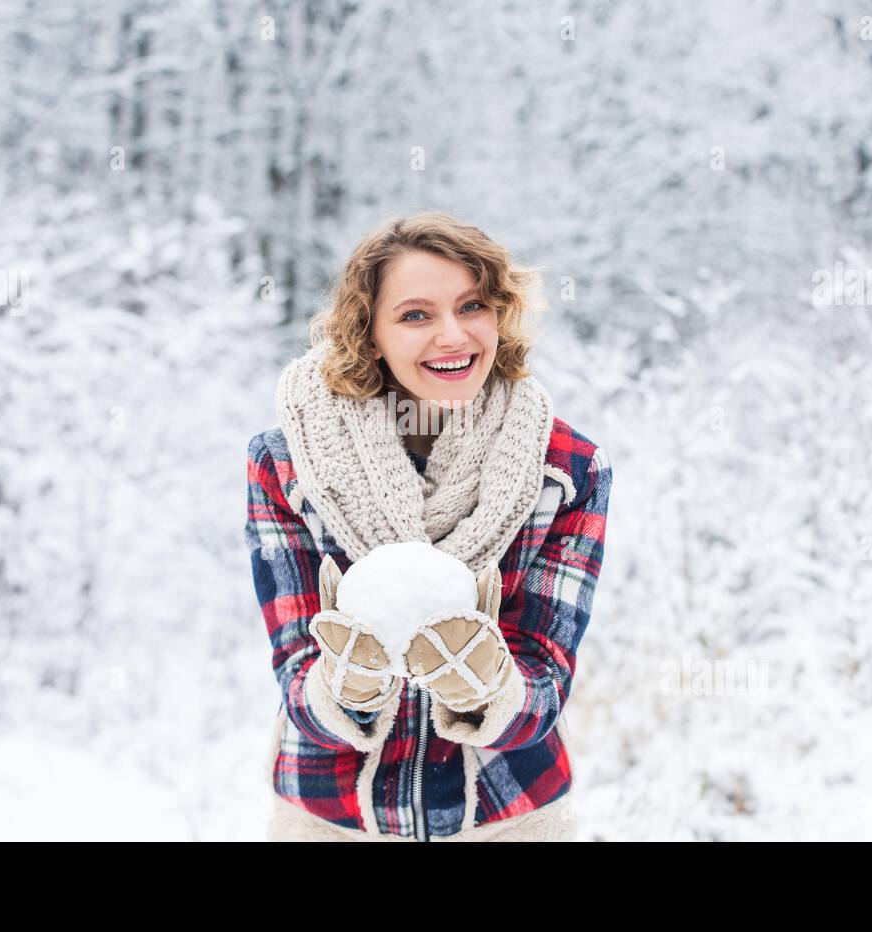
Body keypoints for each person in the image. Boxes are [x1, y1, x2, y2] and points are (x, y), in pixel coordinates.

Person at [244, 211, 612, 841]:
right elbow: (297, 667)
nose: (453, 336)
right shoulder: (287, 463)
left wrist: (487, 684)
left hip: (506, 815)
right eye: (415, 315)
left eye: (472, 306)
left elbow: (545, 677)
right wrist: (348, 685)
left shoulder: (566, 468)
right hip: (332, 817)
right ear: (369, 333)